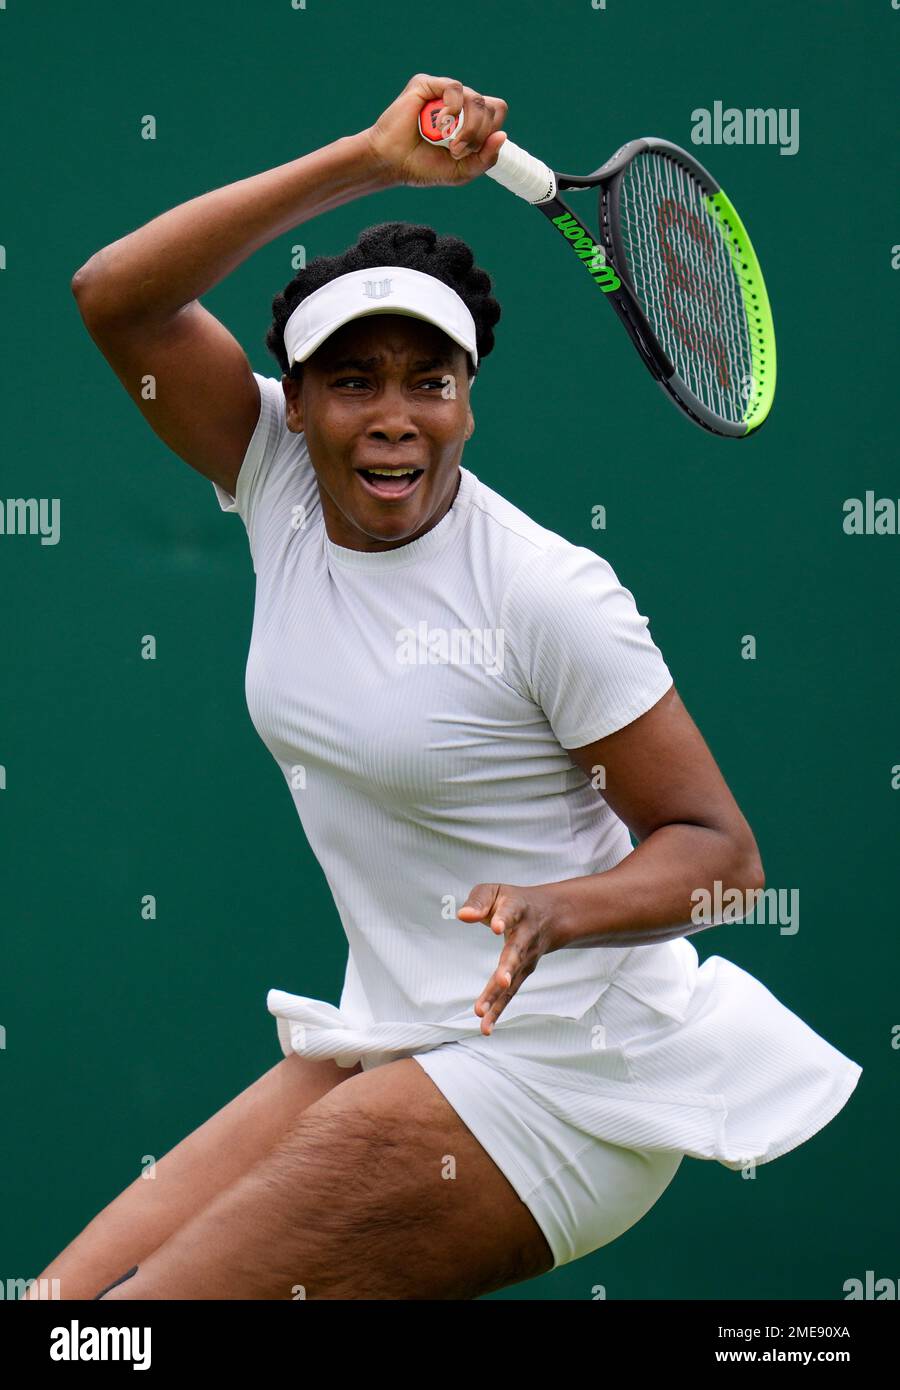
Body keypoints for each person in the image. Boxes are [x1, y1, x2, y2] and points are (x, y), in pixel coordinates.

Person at [38, 73, 860, 1301]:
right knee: (61, 1320)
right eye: (354, 379)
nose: (393, 415)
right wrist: (371, 157)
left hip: (566, 1077)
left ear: (468, 402)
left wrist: (561, 907)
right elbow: (115, 296)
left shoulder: (547, 591)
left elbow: (728, 866)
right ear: (298, 401)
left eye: (430, 380)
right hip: (398, 1033)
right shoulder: (271, 476)